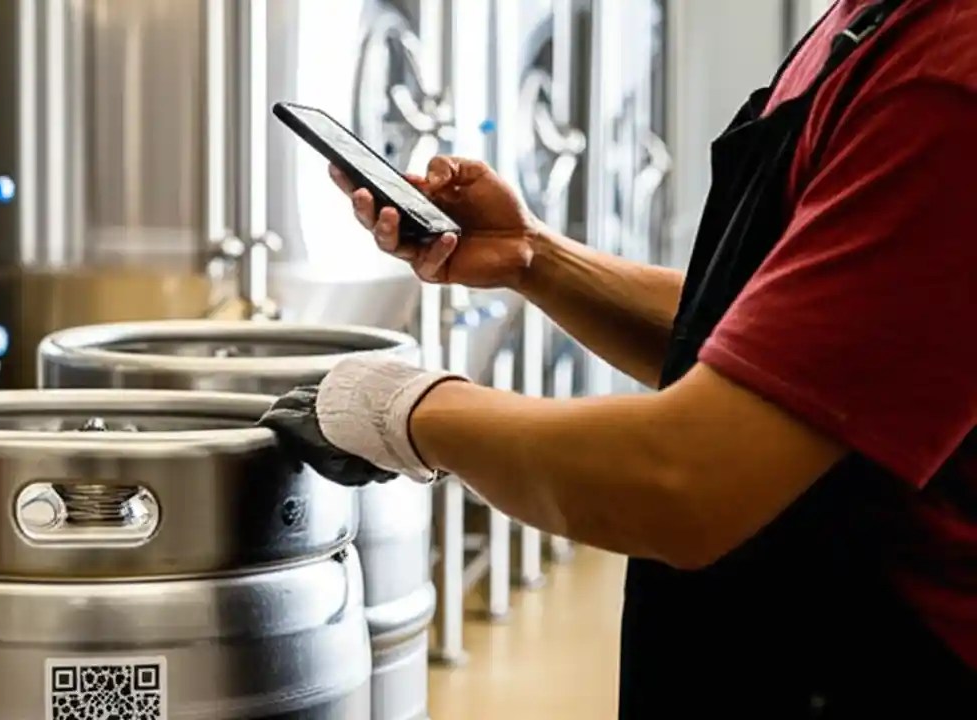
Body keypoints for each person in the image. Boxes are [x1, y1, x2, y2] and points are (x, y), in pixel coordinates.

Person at [261, 0, 977, 716]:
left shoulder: (948, 77)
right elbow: (790, 351)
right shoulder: (866, 24)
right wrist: (535, 258)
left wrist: (403, 408)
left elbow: (687, 481)